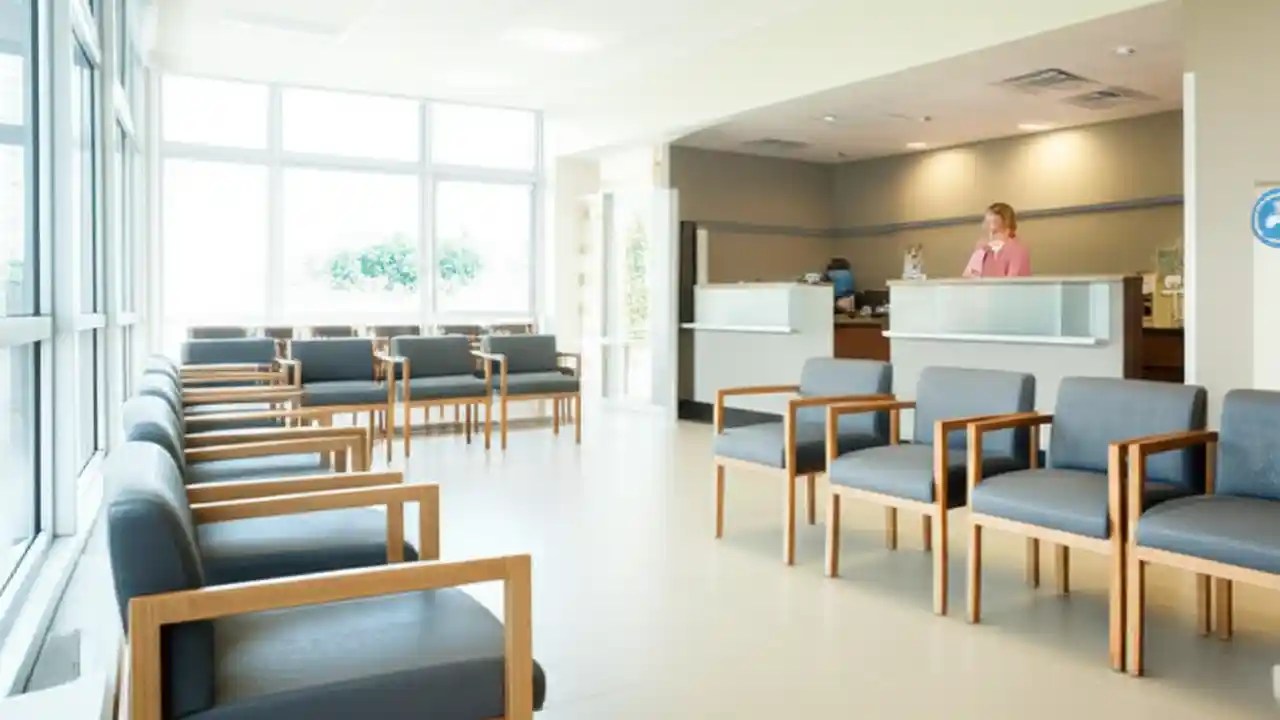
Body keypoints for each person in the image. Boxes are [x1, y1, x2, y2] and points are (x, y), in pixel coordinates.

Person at [962, 202, 1031, 278]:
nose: (991, 235)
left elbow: (1013, 283)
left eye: (996, 231)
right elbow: (967, 278)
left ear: (1008, 229)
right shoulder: (982, 250)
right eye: (988, 226)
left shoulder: (1017, 250)